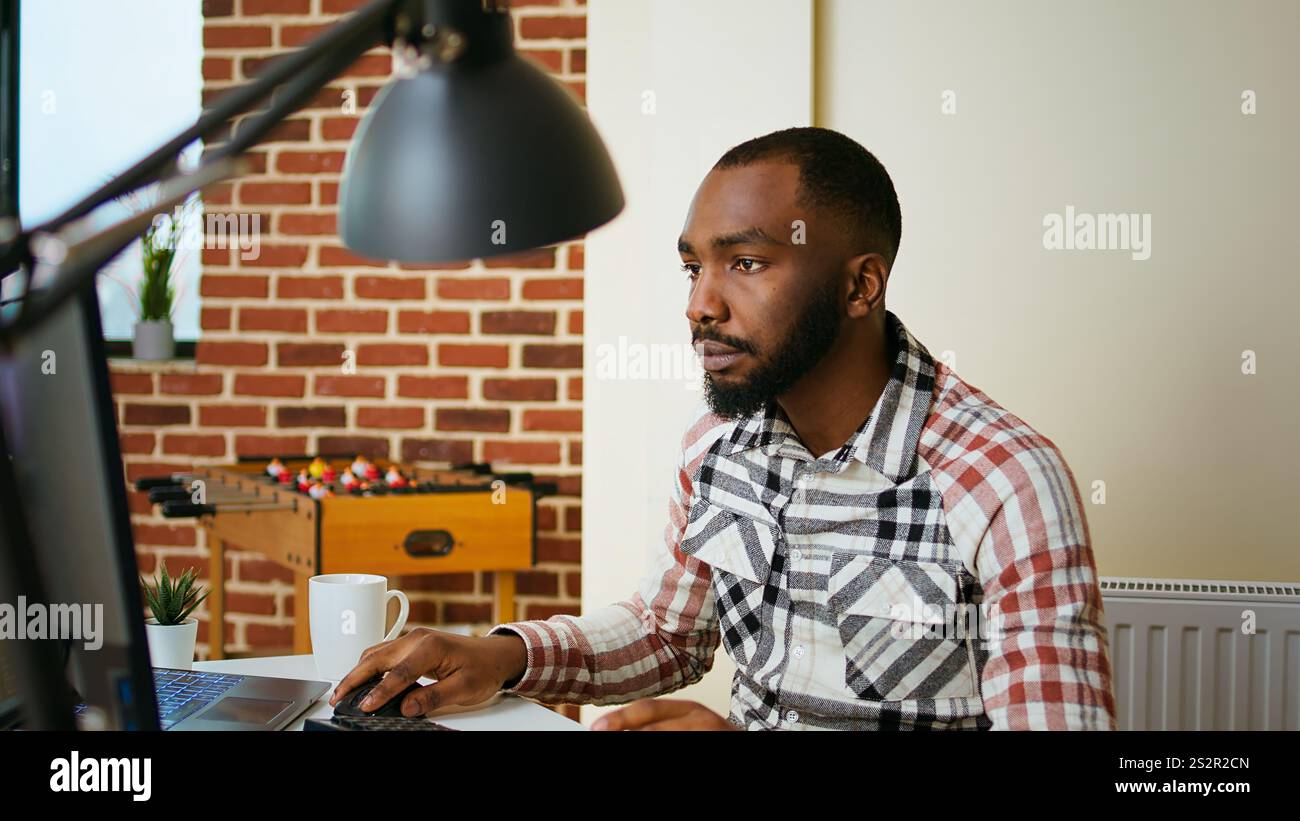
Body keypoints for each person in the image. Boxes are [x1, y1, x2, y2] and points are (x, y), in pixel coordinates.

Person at [330, 127, 1117, 730]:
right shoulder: (717, 444)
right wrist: (500, 655)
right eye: (693, 266)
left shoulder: (1005, 479)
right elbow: (667, 633)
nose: (700, 304)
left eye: (744, 262)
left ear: (860, 284)